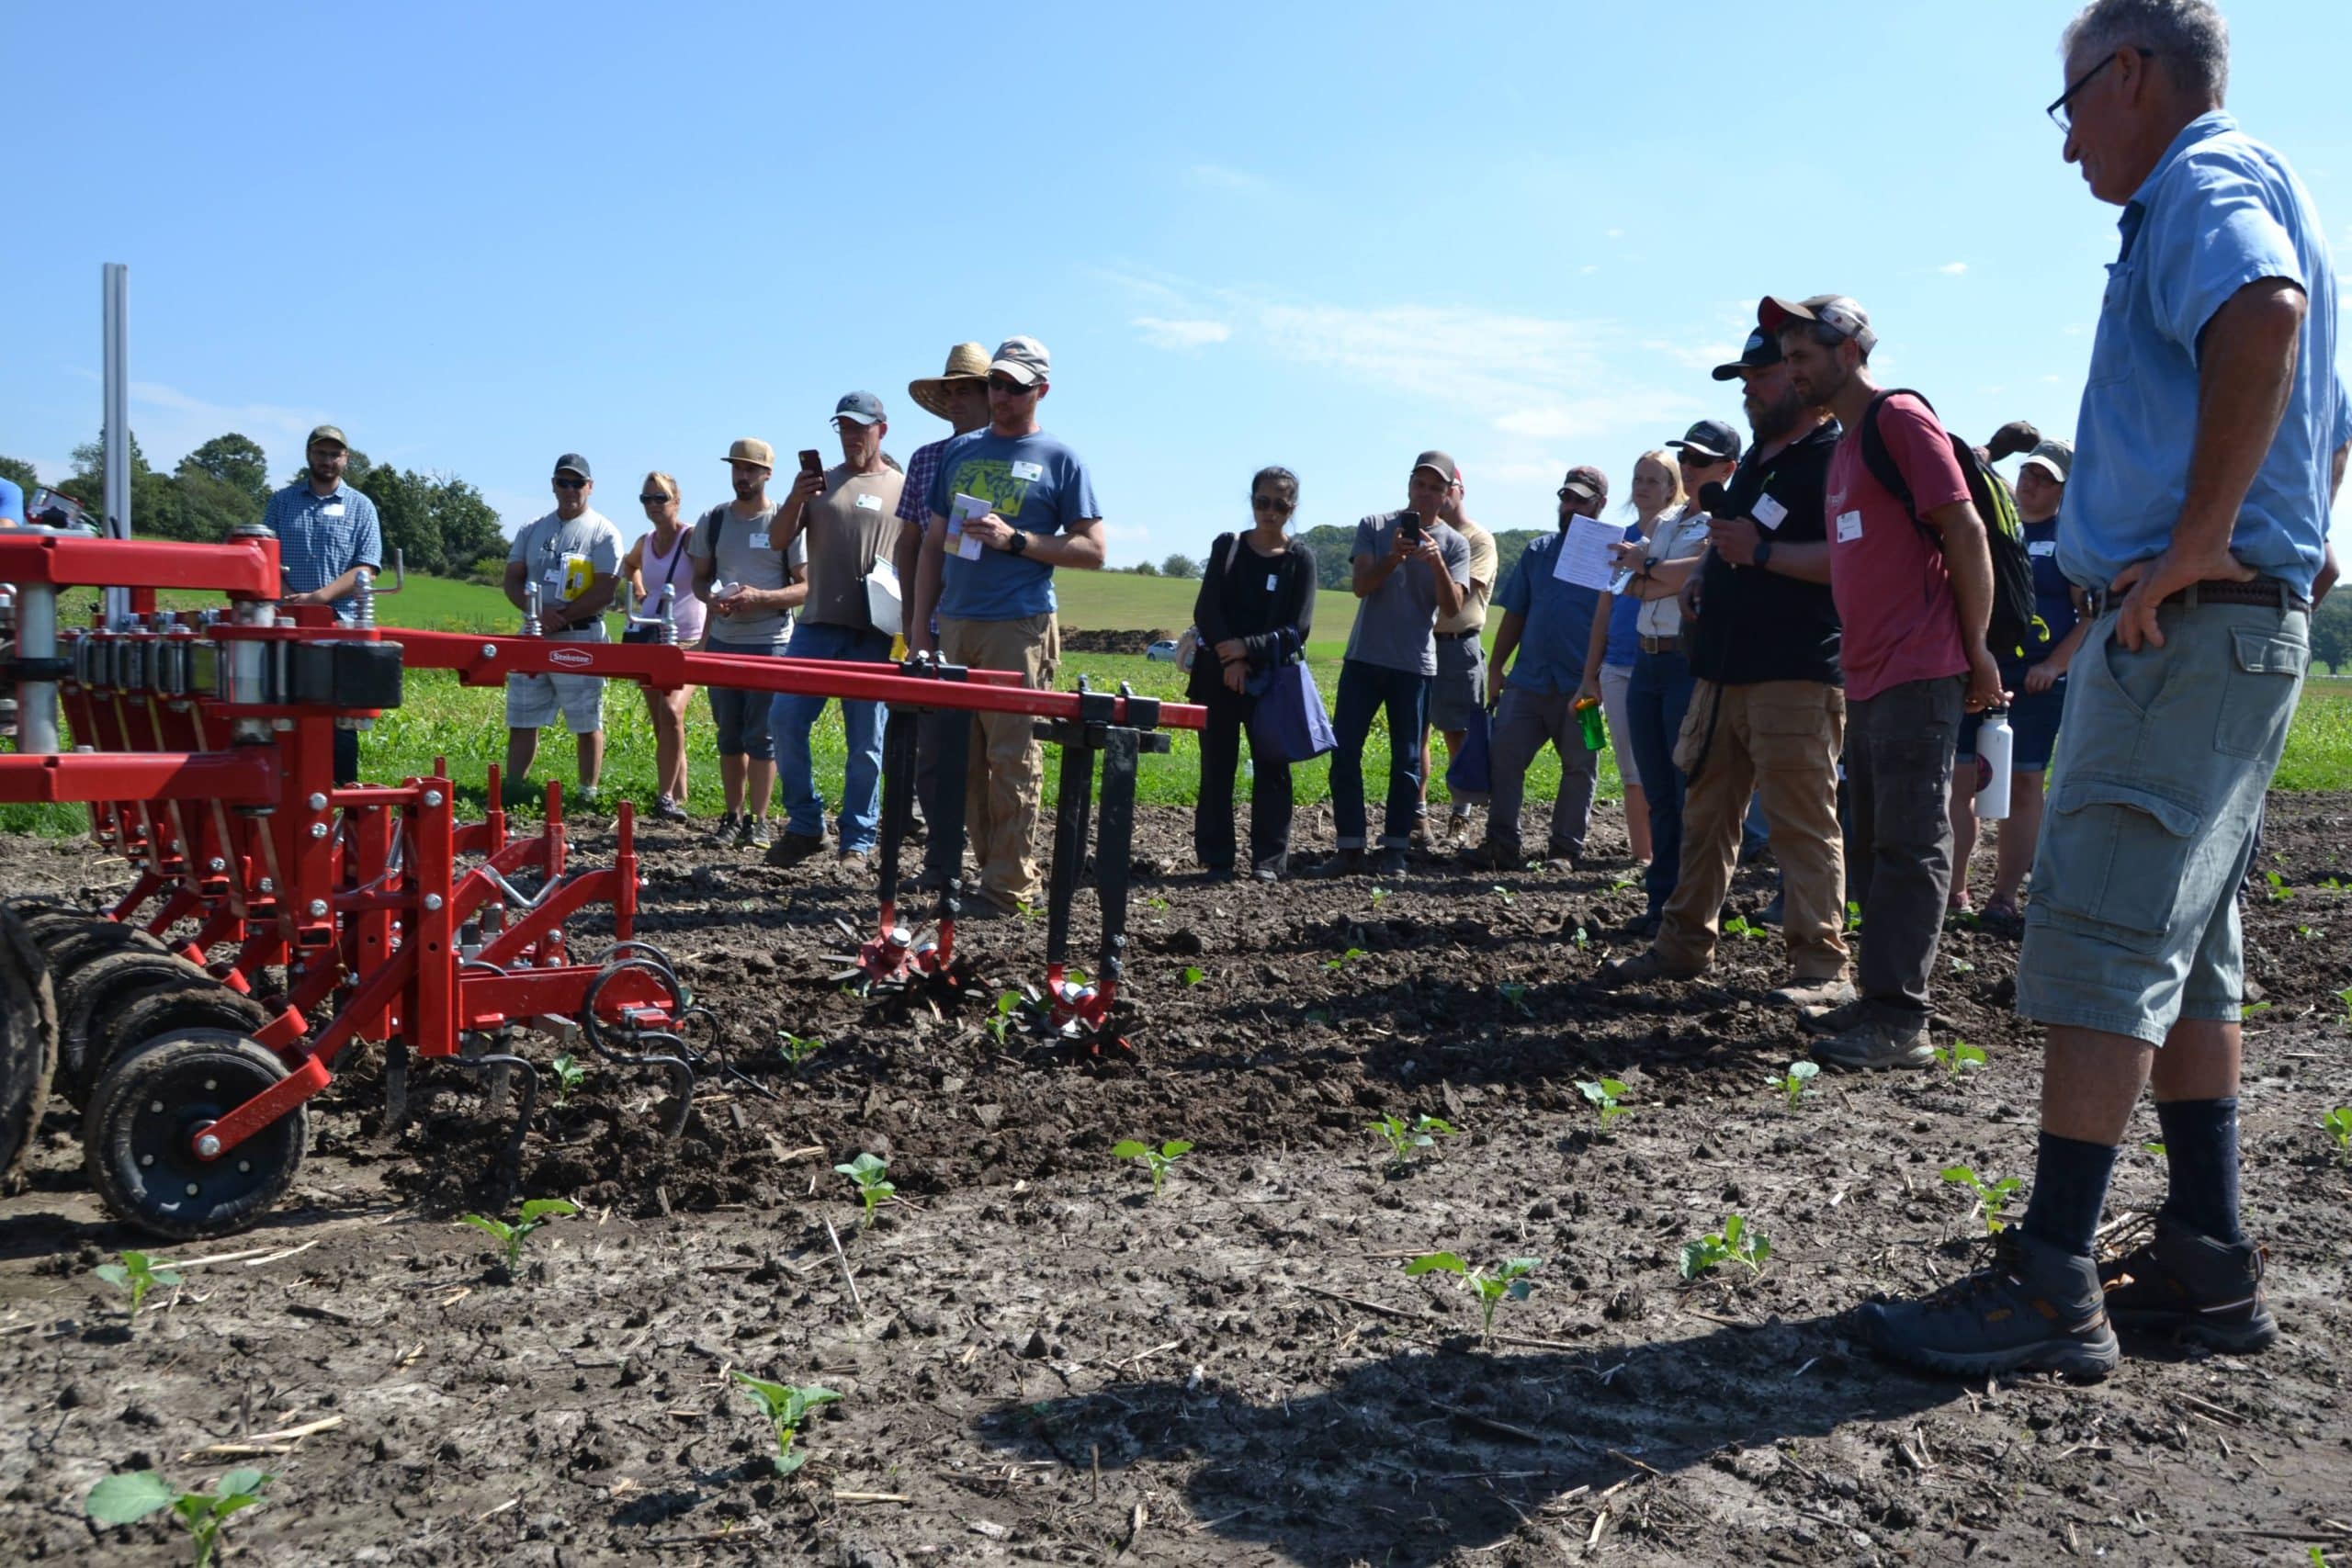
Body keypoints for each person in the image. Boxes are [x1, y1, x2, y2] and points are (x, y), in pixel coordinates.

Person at [1862, 0, 2347, 1379]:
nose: (2068, 139)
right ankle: (2206, 1255)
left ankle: (2051, 1277)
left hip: (2185, 625)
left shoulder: (2199, 178)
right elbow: (2323, 390)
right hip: (2228, 626)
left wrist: (2203, 540)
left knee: (2106, 934)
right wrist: (2288, 530)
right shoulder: (2266, 182)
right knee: (2190, 948)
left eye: (2069, 104)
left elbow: (2266, 316)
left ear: (2128, 75)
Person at [1768, 293, 2005, 1070]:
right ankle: (1878, 1000)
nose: (1793, 371)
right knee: (1871, 845)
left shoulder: (1899, 419)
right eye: (1788, 359)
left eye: (1804, 356)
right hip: (1868, 675)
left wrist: (1977, 646)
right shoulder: (1845, 448)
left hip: (1920, 668)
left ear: (1850, 350)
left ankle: (1903, 1021)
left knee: (1910, 844)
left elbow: (1964, 528)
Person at [1597, 323, 1850, 1005]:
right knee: (1705, 817)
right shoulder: (1761, 459)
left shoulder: (1834, 458)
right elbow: (1727, 540)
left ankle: (1821, 969)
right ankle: (1681, 945)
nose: (1751, 391)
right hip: (1720, 670)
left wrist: (1760, 555)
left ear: (1798, 375)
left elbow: (1851, 559)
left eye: (1762, 376)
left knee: (1801, 822)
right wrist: (1706, 575)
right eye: (1745, 381)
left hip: (1795, 671)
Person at [911, 337, 1106, 914]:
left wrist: (1016, 539)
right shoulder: (960, 451)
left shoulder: (1060, 459)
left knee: (1012, 757)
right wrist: (920, 628)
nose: (1000, 396)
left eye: (1014, 387)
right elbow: (931, 545)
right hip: (956, 623)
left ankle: (1009, 885)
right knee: (965, 763)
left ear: (1041, 391)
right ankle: (992, 874)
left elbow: (1093, 550)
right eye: (995, 384)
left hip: (1018, 625)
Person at [1948, 440, 2088, 925]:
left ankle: (2004, 896)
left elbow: (2091, 615)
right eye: (2029, 473)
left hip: (2037, 683)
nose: (2031, 484)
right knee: (1960, 780)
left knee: (2024, 783)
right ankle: (1954, 890)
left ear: (2065, 490)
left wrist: (2055, 665)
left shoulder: (2071, 540)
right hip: (1978, 669)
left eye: (2046, 479)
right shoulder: (1992, 527)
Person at [1317, 453, 1469, 878]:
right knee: (1345, 752)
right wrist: (1393, 558)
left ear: (1447, 494)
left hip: (1415, 666)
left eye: (1436, 488)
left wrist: (1436, 563)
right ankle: (1350, 847)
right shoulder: (1374, 526)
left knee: (1407, 760)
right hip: (1364, 658)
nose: (1426, 494)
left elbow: (1453, 608)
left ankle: (1396, 849)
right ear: (1409, 485)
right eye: (1420, 484)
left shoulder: (1454, 544)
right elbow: (1360, 586)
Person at [771, 394, 906, 865]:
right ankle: (806, 824)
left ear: (881, 430)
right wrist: (796, 498)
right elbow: (777, 539)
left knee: (866, 742)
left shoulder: (903, 487)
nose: (852, 437)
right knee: (784, 719)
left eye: (860, 428)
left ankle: (858, 841)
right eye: (844, 427)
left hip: (874, 632)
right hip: (815, 628)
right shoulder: (821, 485)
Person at [1464, 465, 1610, 872]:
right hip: (1528, 682)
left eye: (1581, 500)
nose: (1570, 507)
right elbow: (1515, 613)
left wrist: (1598, 679)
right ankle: (1501, 844)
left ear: (1600, 504)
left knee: (1582, 765)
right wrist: (1496, 667)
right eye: (1566, 498)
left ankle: (1565, 850)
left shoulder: (1614, 554)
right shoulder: (1537, 551)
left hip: (1585, 687)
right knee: (1504, 757)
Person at [1190, 467, 1318, 881]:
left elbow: (1299, 628)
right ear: (1252, 501)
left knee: (1273, 769)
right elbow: (1207, 610)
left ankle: (1268, 861)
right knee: (1216, 767)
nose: (1270, 511)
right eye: (1262, 501)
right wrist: (1232, 659)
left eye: (1280, 504)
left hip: (1272, 681)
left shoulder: (1300, 559)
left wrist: (1248, 649)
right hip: (1217, 675)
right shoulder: (1227, 547)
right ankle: (1218, 859)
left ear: (1292, 508)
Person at [899, 343, 994, 879]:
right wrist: (914, 622)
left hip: (995, 622)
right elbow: (911, 543)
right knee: (933, 752)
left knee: (996, 752)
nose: (957, 400)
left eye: (967, 390)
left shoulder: (1012, 459)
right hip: (935, 626)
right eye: (950, 391)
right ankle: (941, 855)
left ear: (990, 394)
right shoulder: (925, 459)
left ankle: (996, 862)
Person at [689, 438, 807, 850]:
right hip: (724, 642)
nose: (742, 476)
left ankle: (760, 820)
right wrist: (711, 599)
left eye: (750, 469)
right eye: (737, 468)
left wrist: (761, 598)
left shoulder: (785, 521)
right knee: (729, 734)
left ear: (767, 474)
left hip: (771, 643)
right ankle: (732, 816)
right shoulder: (713, 520)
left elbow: (805, 587)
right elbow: (699, 579)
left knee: (762, 736)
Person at [1577, 453, 1683, 871]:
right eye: (1638, 479)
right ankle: (1644, 857)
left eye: (1653, 480)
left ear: (1672, 489)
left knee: (1673, 763)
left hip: (1668, 661)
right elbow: (1603, 610)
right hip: (1619, 665)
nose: (1642, 487)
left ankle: (1676, 856)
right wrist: (1590, 675)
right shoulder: (1619, 540)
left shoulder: (1683, 539)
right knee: (1632, 769)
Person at [264, 424, 384, 785]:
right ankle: (285, 788)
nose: (327, 460)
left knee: (340, 719)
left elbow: (367, 567)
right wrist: (288, 597)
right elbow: (265, 555)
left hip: (340, 624)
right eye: (321, 453)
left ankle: (342, 794)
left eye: (335, 454)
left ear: (346, 459)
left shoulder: (361, 507)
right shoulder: (281, 502)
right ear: (308, 455)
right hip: (285, 624)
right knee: (282, 710)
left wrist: (319, 599)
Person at [503, 454, 622, 804]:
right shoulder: (531, 528)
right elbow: (512, 579)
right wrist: (537, 612)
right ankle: (515, 788)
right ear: (553, 485)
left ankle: (587, 793)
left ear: (590, 487)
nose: (570, 489)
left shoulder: (603, 531)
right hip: (534, 634)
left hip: (581, 634)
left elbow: (606, 588)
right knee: (522, 716)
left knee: (586, 718)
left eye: (577, 483)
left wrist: (564, 616)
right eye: (563, 482)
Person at [620, 471, 706, 821]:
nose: (653, 505)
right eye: (647, 498)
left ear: (677, 501)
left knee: (672, 710)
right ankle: (680, 792)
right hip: (651, 639)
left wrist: (708, 639)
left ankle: (666, 796)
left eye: (660, 498)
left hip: (687, 641)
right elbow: (629, 565)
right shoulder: (645, 542)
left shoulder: (691, 538)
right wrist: (641, 591)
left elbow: (710, 578)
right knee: (662, 722)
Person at [1419, 469, 1498, 847]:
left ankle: (1460, 818)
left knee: (1459, 735)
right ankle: (1417, 816)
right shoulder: (1419, 534)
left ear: (1459, 491)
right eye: (1429, 486)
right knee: (1416, 733)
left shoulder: (1478, 540)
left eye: (1446, 487)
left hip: (1456, 643)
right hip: (1419, 641)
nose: (1440, 494)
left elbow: (1460, 594)